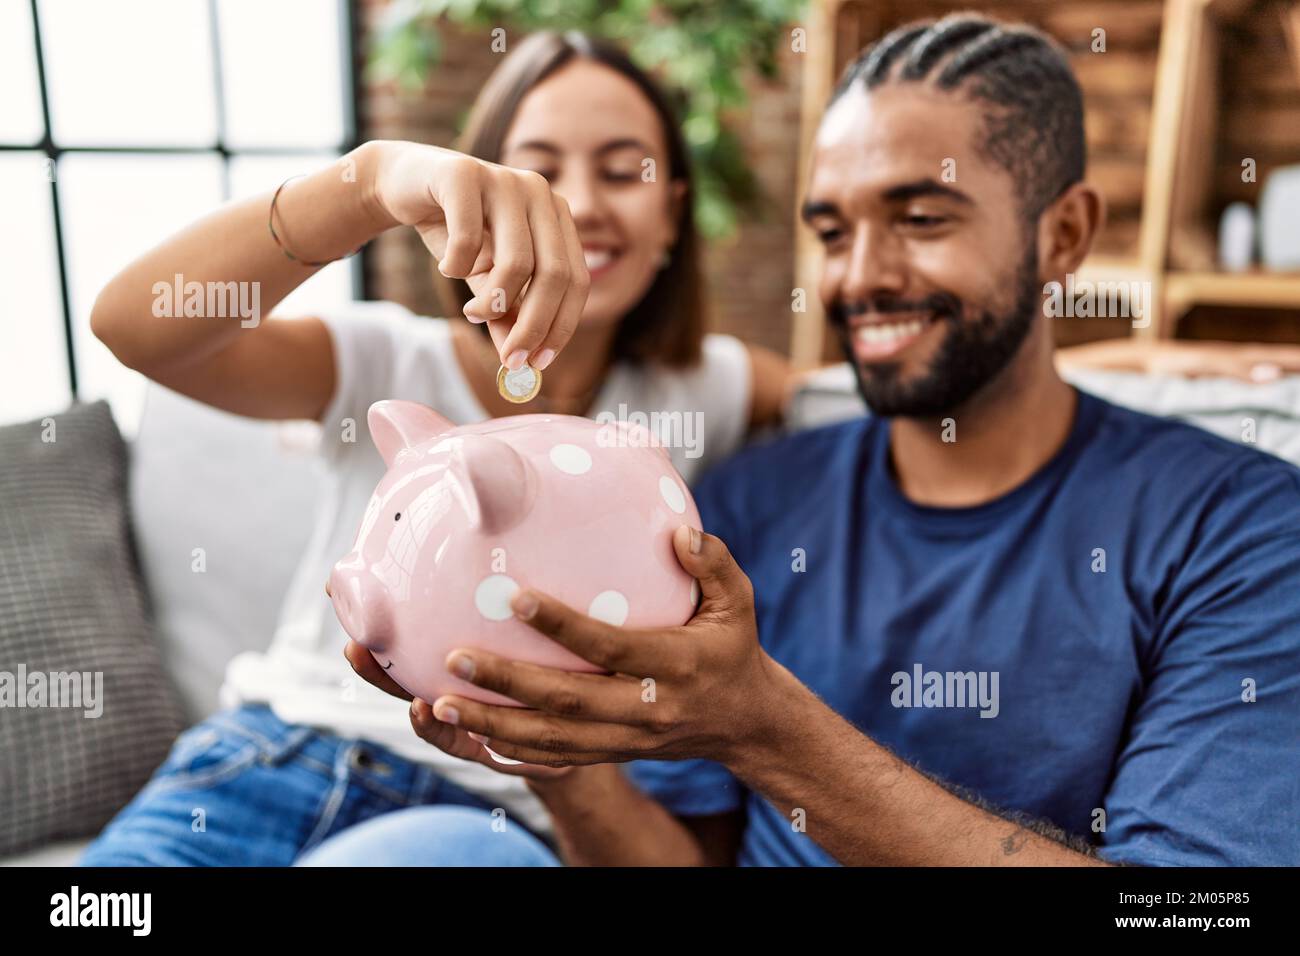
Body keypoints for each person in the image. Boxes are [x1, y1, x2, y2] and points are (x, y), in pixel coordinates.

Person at [321, 13, 1300, 867]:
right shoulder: (746, 504)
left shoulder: (1241, 529)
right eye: (831, 232)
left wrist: (768, 728)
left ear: (1063, 236)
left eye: (919, 217)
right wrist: (553, 747)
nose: (858, 277)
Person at [81, 31, 791, 866]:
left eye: (620, 169)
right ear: (481, 189)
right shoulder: (383, 359)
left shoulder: (703, 387)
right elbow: (134, 328)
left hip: (485, 814)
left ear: (671, 212)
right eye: (540, 169)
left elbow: (867, 400)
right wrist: (370, 184)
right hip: (270, 763)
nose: (580, 203)